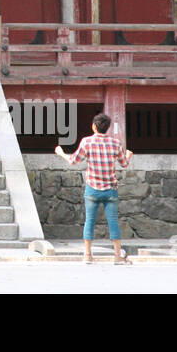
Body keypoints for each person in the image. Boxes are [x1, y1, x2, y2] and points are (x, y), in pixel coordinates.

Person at [55, 113, 134, 264]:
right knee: (113, 222)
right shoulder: (115, 143)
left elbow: (73, 161)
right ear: (107, 128)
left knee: (89, 221)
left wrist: (61, 153)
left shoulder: (87, 142)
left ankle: (87, 255)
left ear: (94, 126)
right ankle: (118, 256)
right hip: (110, 188)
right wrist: (128, 155)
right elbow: (124, 164)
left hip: (92, 188)